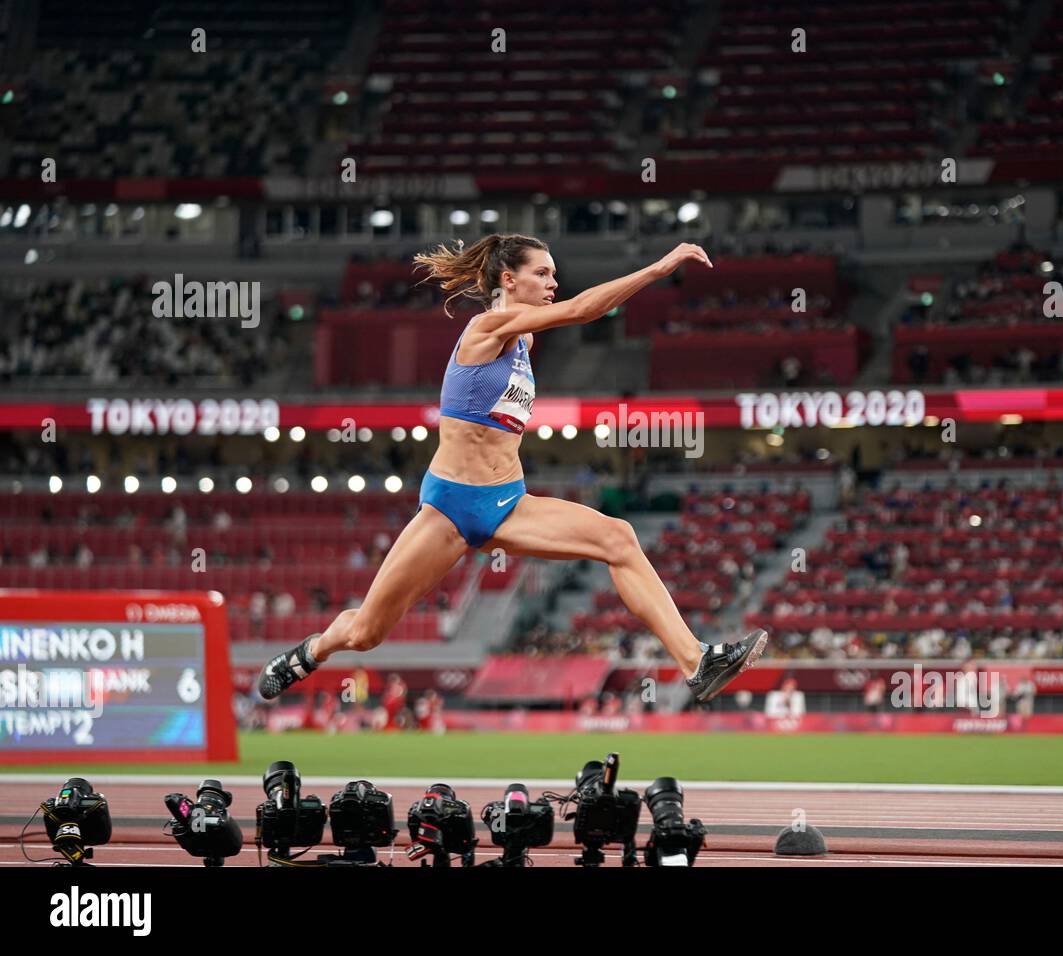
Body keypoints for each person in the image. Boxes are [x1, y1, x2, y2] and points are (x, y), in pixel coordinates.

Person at [259, 234, 766, 704]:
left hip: (508, 502)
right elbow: (581, 309)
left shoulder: (524, 345)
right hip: (451, 507)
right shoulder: (486, 328)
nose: (552, 284)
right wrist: (657, 269)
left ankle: (696, 661)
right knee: (366, 633)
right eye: (542, 275)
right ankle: (309, 653)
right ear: (509, 280)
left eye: (553, 275)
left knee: (618, 538)